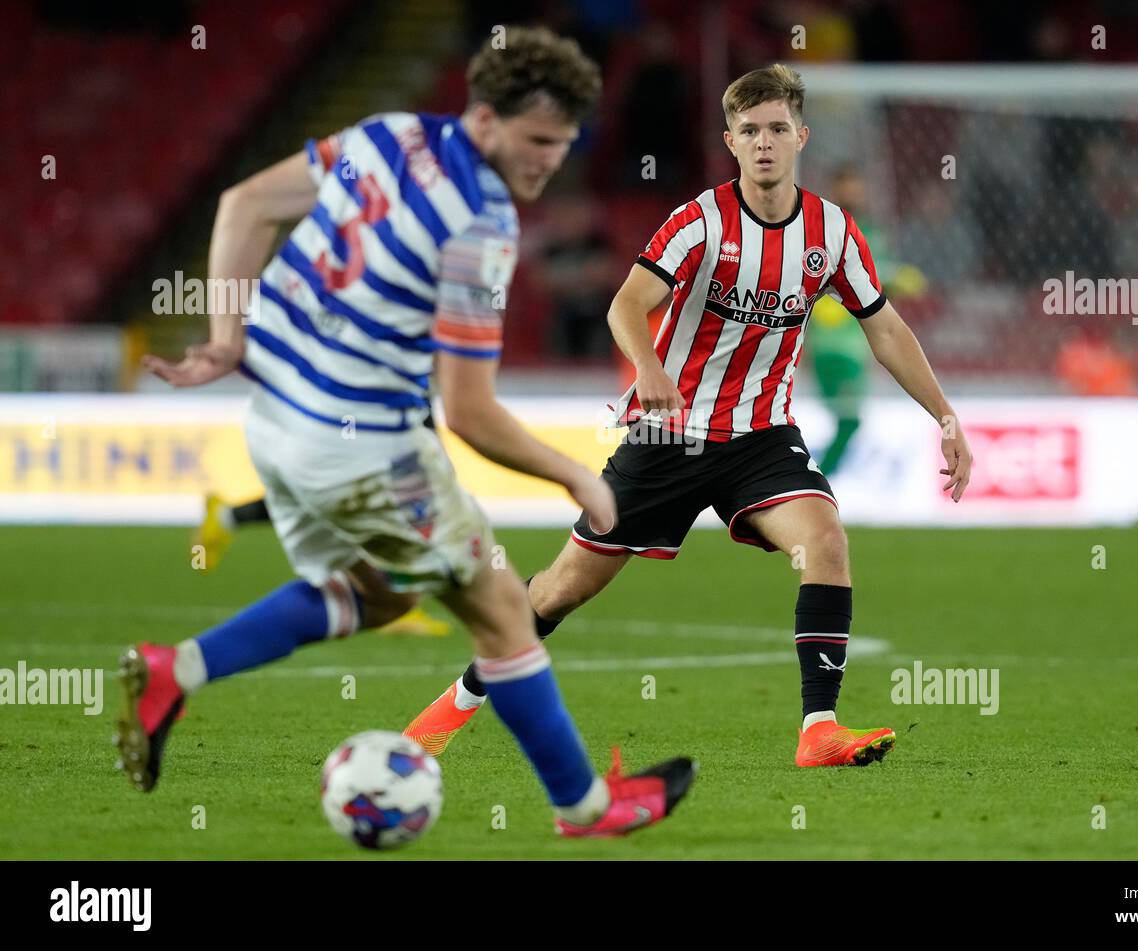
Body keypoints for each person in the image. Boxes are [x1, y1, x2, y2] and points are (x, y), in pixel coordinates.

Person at [116, 26, 695, 838]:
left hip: (278, 424)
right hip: (363, 448)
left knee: (376, 591)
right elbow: (469, 412)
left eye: (562, 146)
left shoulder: (385, 135)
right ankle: (584, 806)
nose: (545, 163)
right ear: (485, 119)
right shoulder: (481, 224)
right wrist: (575, 474)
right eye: (534, 141)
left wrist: (227, 338)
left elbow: (244, 205)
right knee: (500, 606)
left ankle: (175, 671)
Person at [406, 64, 973, 768]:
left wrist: (945, 416)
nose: (763, 143)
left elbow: (883, 328)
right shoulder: (700, 222)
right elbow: (625, 304)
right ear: (730, 142)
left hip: (762, 437)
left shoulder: (832, 231)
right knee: (559, 590)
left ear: (801, 136)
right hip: (667, 435)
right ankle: (447, 710)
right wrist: (649, 369)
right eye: (748, 132)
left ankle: (818, 729)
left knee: (825, 537)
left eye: (776, 129)